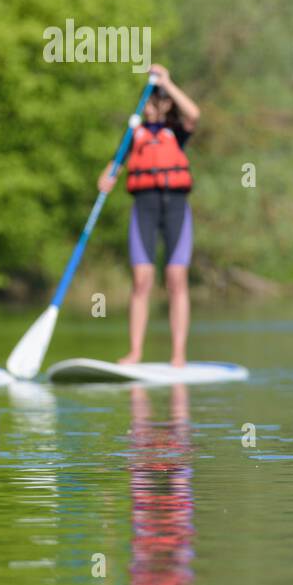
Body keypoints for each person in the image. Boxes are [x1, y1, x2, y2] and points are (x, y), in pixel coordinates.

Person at [98, 63, 200, 366]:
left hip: (176, 206)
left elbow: (194, 113)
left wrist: (166, 82)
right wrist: (107, 177)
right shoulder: (134, 133)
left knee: (175, 278)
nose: (151, 108)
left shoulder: (177, 130)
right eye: (148, 101)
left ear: (166, 103)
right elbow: (113, 167)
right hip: (144, 206)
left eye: (157, 102)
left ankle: (178, 354)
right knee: (142, 279)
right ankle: (135, 352)